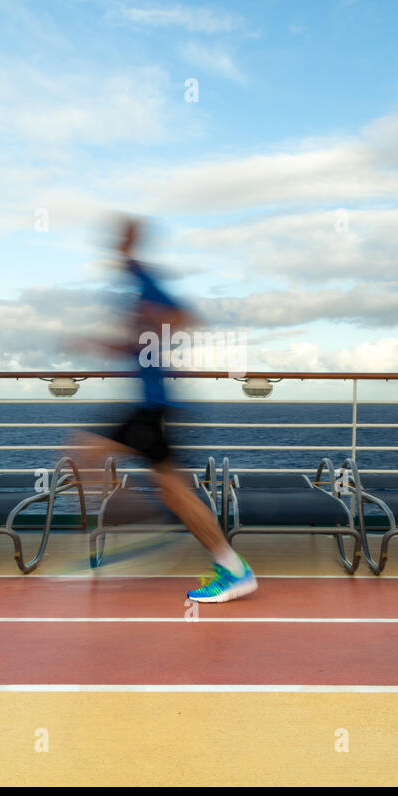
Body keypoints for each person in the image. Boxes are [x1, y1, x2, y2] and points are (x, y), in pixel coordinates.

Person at [73, 217, 256, 603]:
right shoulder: (137, 288)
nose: (115, 248)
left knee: (84, 450)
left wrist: (155, 325)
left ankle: (140, 515)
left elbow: (185, 317)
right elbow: (140, 345)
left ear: (131, 245)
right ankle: (231, 568)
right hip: (154, 407)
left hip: (152, 408)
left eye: (122, 241)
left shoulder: (145, 282)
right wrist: (105, 344)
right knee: (175, 494)